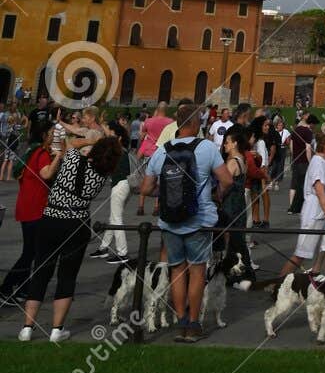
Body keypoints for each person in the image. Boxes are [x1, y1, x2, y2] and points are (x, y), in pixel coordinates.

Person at [138, 98, 227, 343]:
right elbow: (227, 180)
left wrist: (165, 193)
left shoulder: (163, 150)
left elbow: (146, 188)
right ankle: (194, 324)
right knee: (197, 271)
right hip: (199, 219)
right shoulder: (208, 148)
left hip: (170, 220)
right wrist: (216, 194)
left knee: (177, 270)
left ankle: (181, 322)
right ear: (196, 124)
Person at [19, 132, 123, 342]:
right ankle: (57, 329)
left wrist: (92, 140)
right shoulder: (101, 176)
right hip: (77, 225)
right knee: (67, 276)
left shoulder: (73, 159)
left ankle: (27, 328)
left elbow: (70, 143)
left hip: (51, 219)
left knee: (41, 271)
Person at [1, 117, 59, 306]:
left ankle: (22, 288)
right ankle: (6, 288)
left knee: (32, 251)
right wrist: (59, 156)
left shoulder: (32, 150)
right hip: (35, 207)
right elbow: (46, 174)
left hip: (28, 205)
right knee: (29, 252)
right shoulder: (41, 153)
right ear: (44, 135)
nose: (53, 136)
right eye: (51, 133)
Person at [278, 132, 325, 280]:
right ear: (322, 144)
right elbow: (320, 192)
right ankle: (279, 282)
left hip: (324, 214)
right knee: (301, 254)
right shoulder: (318, 163)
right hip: (315, 215)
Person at [217, 123, 254, 278]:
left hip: (230, 204)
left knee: (233, 240)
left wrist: (217, 197)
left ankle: (242, 273)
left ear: (235, 143)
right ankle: (240, 272)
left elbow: (224, 183)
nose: (224, 145)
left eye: (227, 142)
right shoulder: (242, 159)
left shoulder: (232, 162)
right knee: (237, 240)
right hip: (239, 204)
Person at [94, 119, 133, 263]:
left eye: (111, 135)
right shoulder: (121, 149)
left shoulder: (117, 150)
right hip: (125, 185)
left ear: (119, 138)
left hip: (120, 185)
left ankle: (122, 253)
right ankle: (104, 247)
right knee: (113, 217)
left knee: (116, 219)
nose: (108, 137)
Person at [288, 112, 317, 214]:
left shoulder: (296, 129)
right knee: (302, 185)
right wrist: (310, 162)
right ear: (312, 124)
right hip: (304, 162)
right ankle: (296, 207)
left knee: (294, 184)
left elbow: (291, 146)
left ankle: (291, 205)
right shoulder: (308, 132)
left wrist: (295, 155)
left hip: (295, 160)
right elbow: (308, 148)